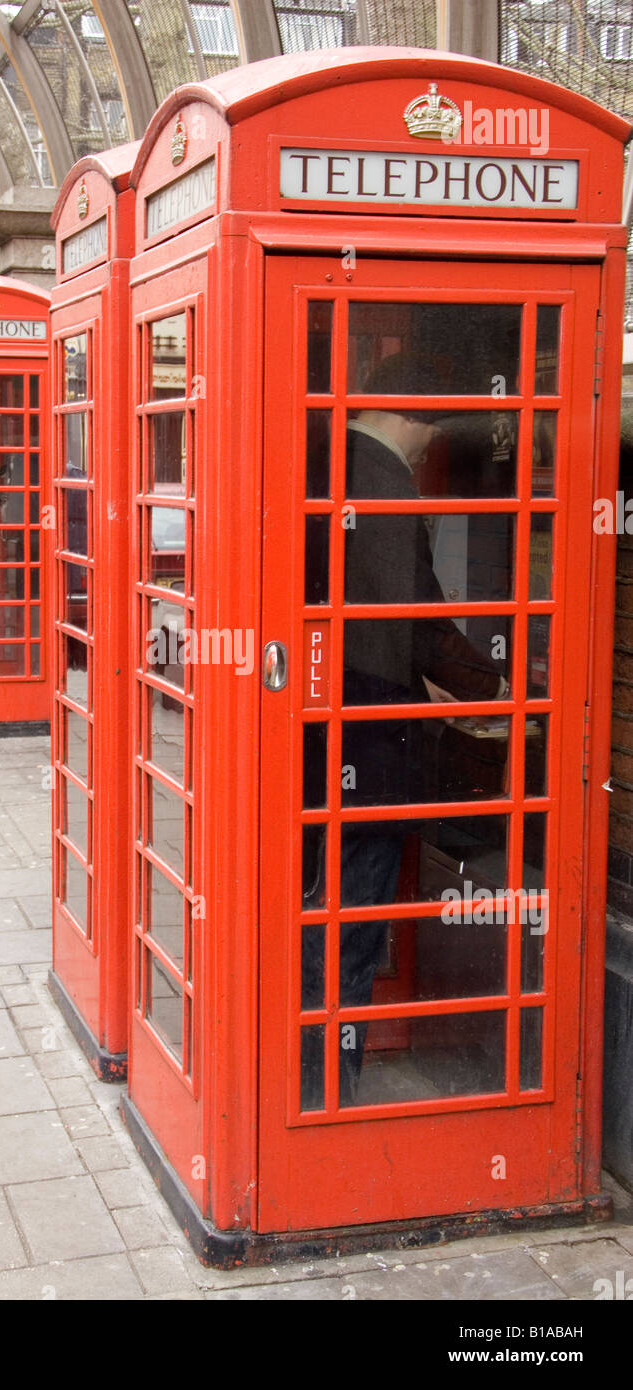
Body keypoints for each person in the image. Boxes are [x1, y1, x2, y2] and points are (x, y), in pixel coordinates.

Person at [336, 354, 510, 1102]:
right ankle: (331, 1068)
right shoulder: (380, 480)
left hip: (327, 729)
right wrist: (501, 685)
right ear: (414, 418)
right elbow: (419, 623)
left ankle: (317, 1060)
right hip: (368, 736)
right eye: (433, 432)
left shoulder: (329, 459)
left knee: (331, 903)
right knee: (357, 911)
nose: (431, 448)